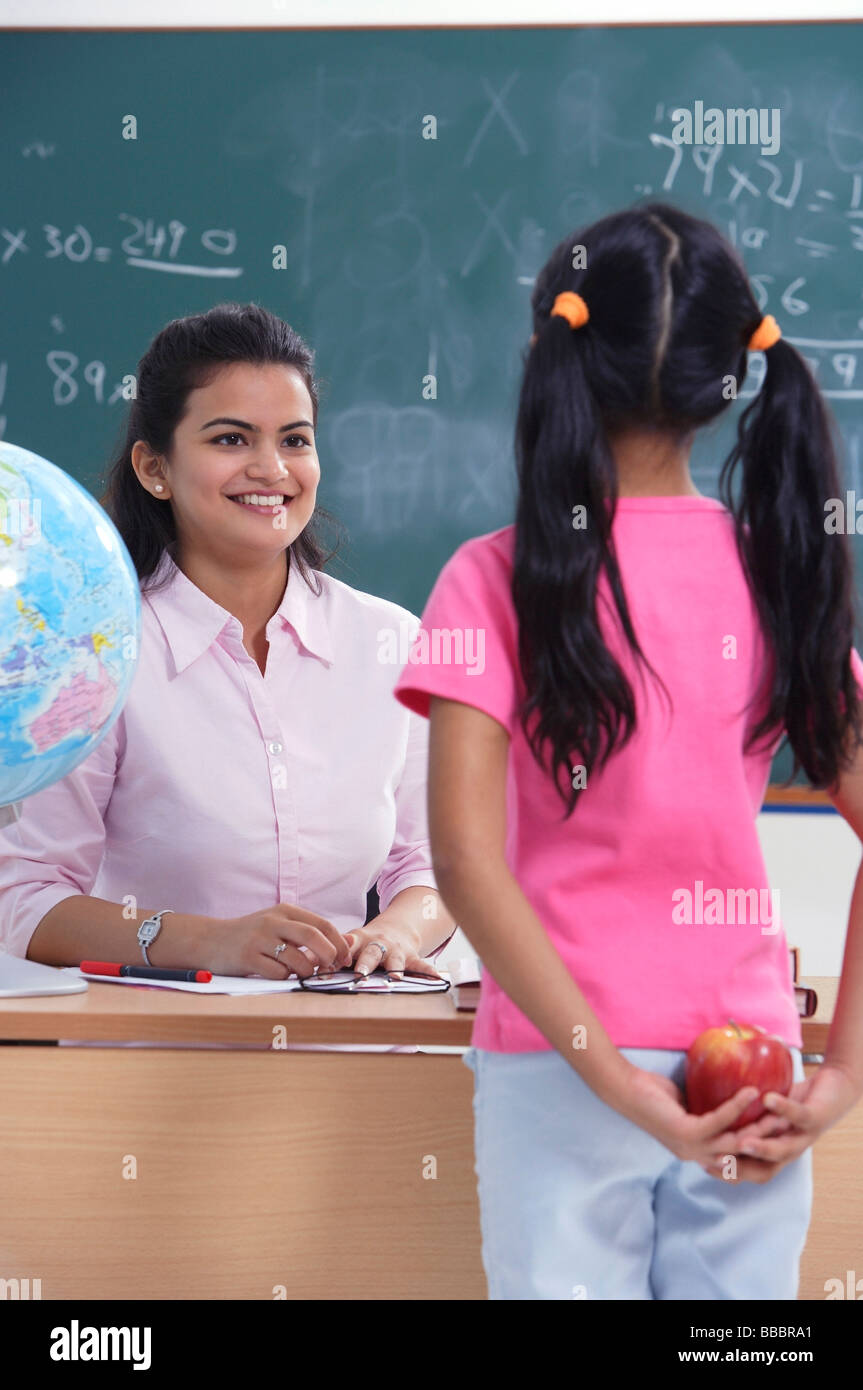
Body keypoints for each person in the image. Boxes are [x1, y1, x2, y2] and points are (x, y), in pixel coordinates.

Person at [393, 202, 863, 1300]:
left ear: (549, 355)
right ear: (730, 378)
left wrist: (611, 1079)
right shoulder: (778, 575)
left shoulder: (491, 575)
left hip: (558, 1061)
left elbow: (463, 864)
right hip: (747, 1068)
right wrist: (838, 1073)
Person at [0, 302, 455, 986]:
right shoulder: (98, 654)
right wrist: (206, 942)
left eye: (295, 440)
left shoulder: (392, 642)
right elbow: (24, 897)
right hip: (153, 1060)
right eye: (231, 440)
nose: (271, 469)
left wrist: (393, 932)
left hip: (353, 1050)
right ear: (155, 469)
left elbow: (438, 865)